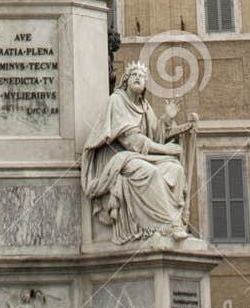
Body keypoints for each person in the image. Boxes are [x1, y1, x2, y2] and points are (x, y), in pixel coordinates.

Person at [81, 60, 192, 244]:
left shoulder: (145, 107)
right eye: (134, 75)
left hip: (139, 156)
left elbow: (155, 136)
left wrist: (166, 118)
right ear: (126, 80)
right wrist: (166, 150)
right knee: (152, 172)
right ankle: (167, 226)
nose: (138, 78)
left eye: (142, 77)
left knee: (175, 169)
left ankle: (174, 223)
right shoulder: (117, 101)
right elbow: (133, 141)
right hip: (119, 158)